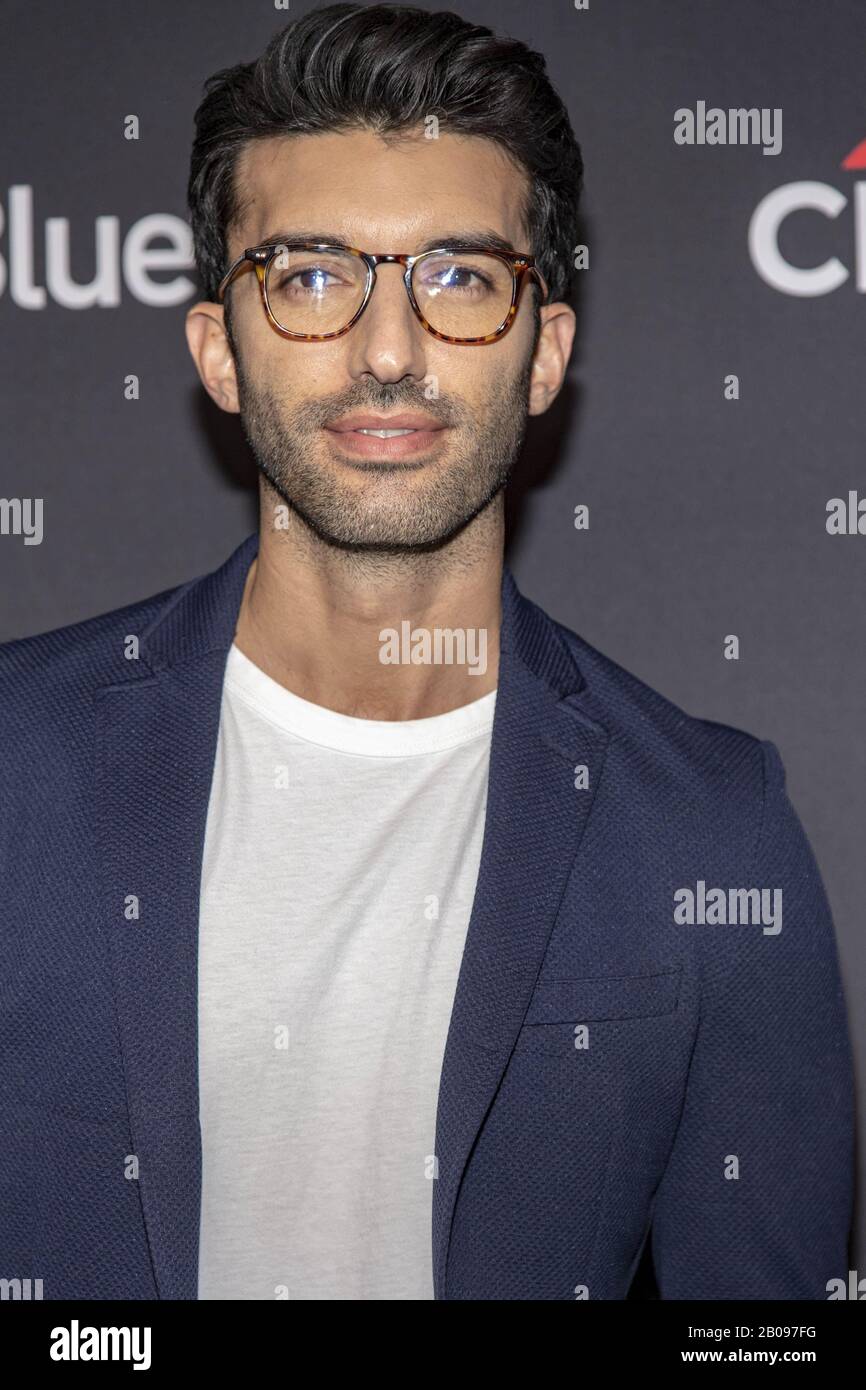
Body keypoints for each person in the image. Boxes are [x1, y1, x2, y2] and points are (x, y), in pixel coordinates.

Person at [0, 3, 854, 1301]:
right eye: (310, 276)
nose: (386, 351)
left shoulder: (711, 830)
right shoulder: (14, 766)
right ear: (216, 350)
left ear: (545, 349)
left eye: (457, 276)